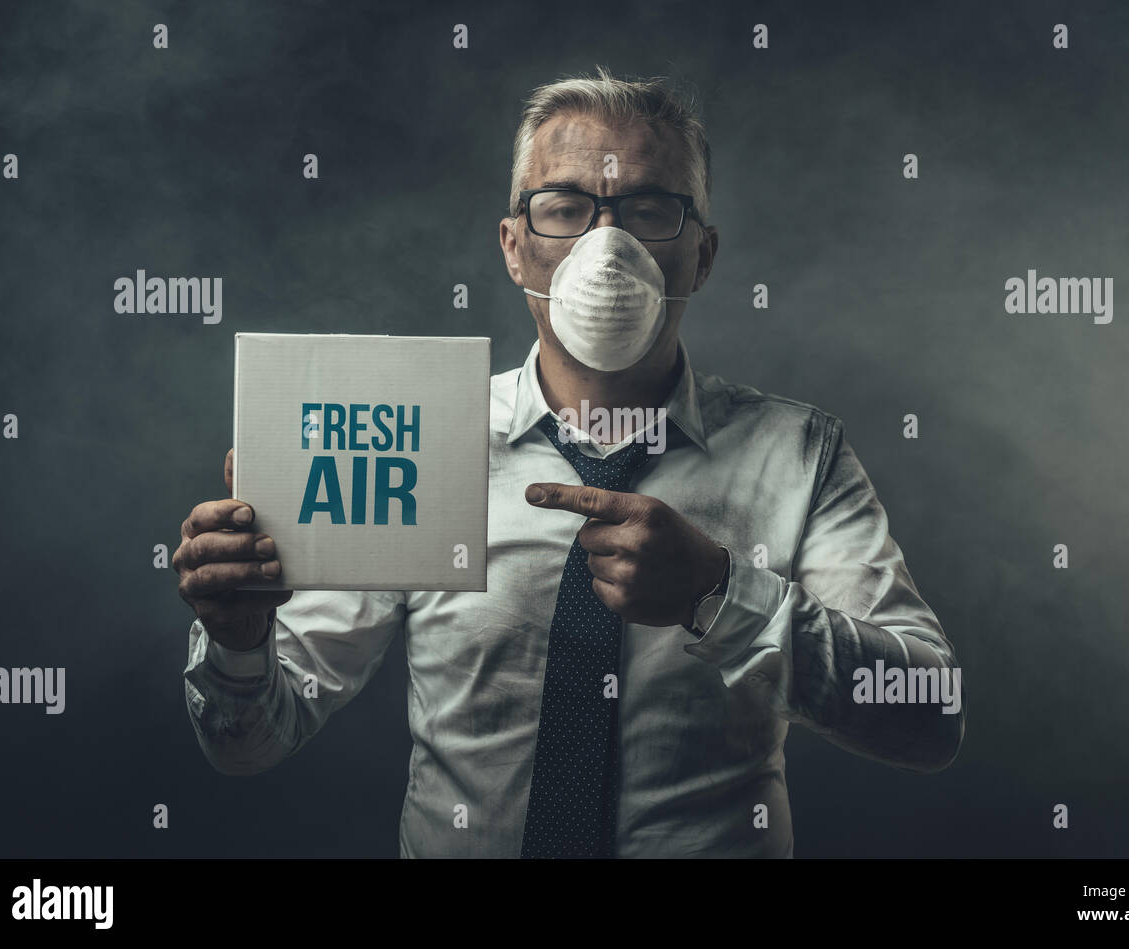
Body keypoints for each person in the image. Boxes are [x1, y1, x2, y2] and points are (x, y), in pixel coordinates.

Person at [175, 66, 965, 858]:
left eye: (651, 209)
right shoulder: (419, 435)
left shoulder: (796, 454)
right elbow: (248, 742)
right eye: (564, 208)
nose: (605, 246)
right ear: (514, 247)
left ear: (703, 256)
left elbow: (931, 717)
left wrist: (719, 593)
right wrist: (240, 637)